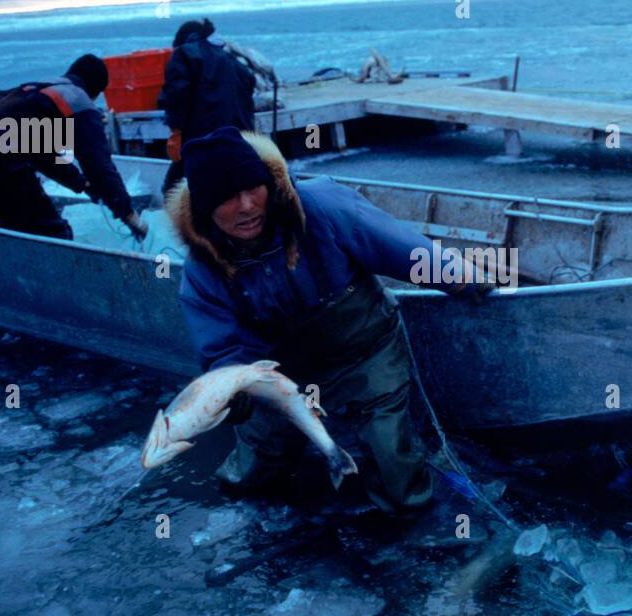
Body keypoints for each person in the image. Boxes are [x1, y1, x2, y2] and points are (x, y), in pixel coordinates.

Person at [167, 127, 490, 517]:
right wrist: (231, 395)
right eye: (227, 198)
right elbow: (222, 351)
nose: (247, 206)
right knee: (254, 473)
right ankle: (261, 518)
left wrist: (463, 277)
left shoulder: (322, 205)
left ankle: (418, 529)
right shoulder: (202, 270)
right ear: (205, 209)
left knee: (393, 464)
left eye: (253, 188)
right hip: (279, 376)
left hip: (363, 352)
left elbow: (404, 249)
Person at [0, 54, 148, 241]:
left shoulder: (34, 90)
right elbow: (98, 164)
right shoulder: (78, 101)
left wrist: (81, 183)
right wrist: (128, 213)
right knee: (53, 234)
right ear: (96, 92)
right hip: (1, 165)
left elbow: (42, 155)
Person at [157, 18, 257, 191]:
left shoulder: (184, 54)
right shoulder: (233, 61)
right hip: (240, 140)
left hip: (203, 141)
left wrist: (175, 130)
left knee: (173, 189)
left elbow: (176, 93)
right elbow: (249, 85)